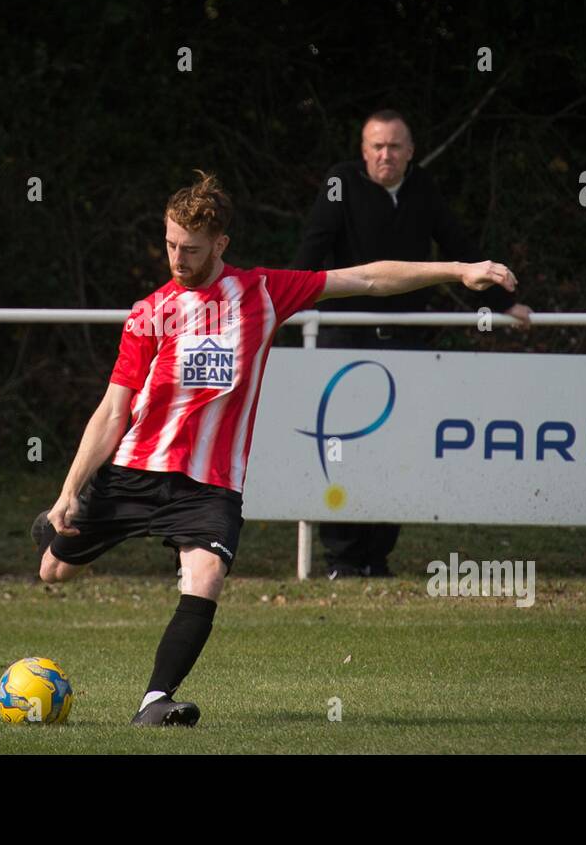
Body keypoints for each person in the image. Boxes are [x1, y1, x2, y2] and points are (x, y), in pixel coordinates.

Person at [30, 170, 518, 726]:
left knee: (206, 576)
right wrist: (68, 492)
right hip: (136, 470)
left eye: (189, 249)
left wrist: (459, 268)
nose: (176, 258)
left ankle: (153, 702)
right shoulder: (151, 312)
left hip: (211, 482)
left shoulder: (261, 291)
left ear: (221, 244)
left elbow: (367, 279)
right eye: (168, 245)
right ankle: (51, 529)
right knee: (54, 573)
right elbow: (114, 409)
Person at [292, 109, 532, 580]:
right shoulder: (340, 184)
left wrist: (508, 302)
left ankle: (377, 557)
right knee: (343, 449)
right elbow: (311, 248)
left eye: (395, 146)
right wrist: (287, 302)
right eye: (377, 146)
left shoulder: (422, 188)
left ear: (411, 151)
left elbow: (458, 244)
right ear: (363, 152)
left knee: (397, 450)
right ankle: (342, 558)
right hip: (346, 342)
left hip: (407, 340)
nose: (386, 154)